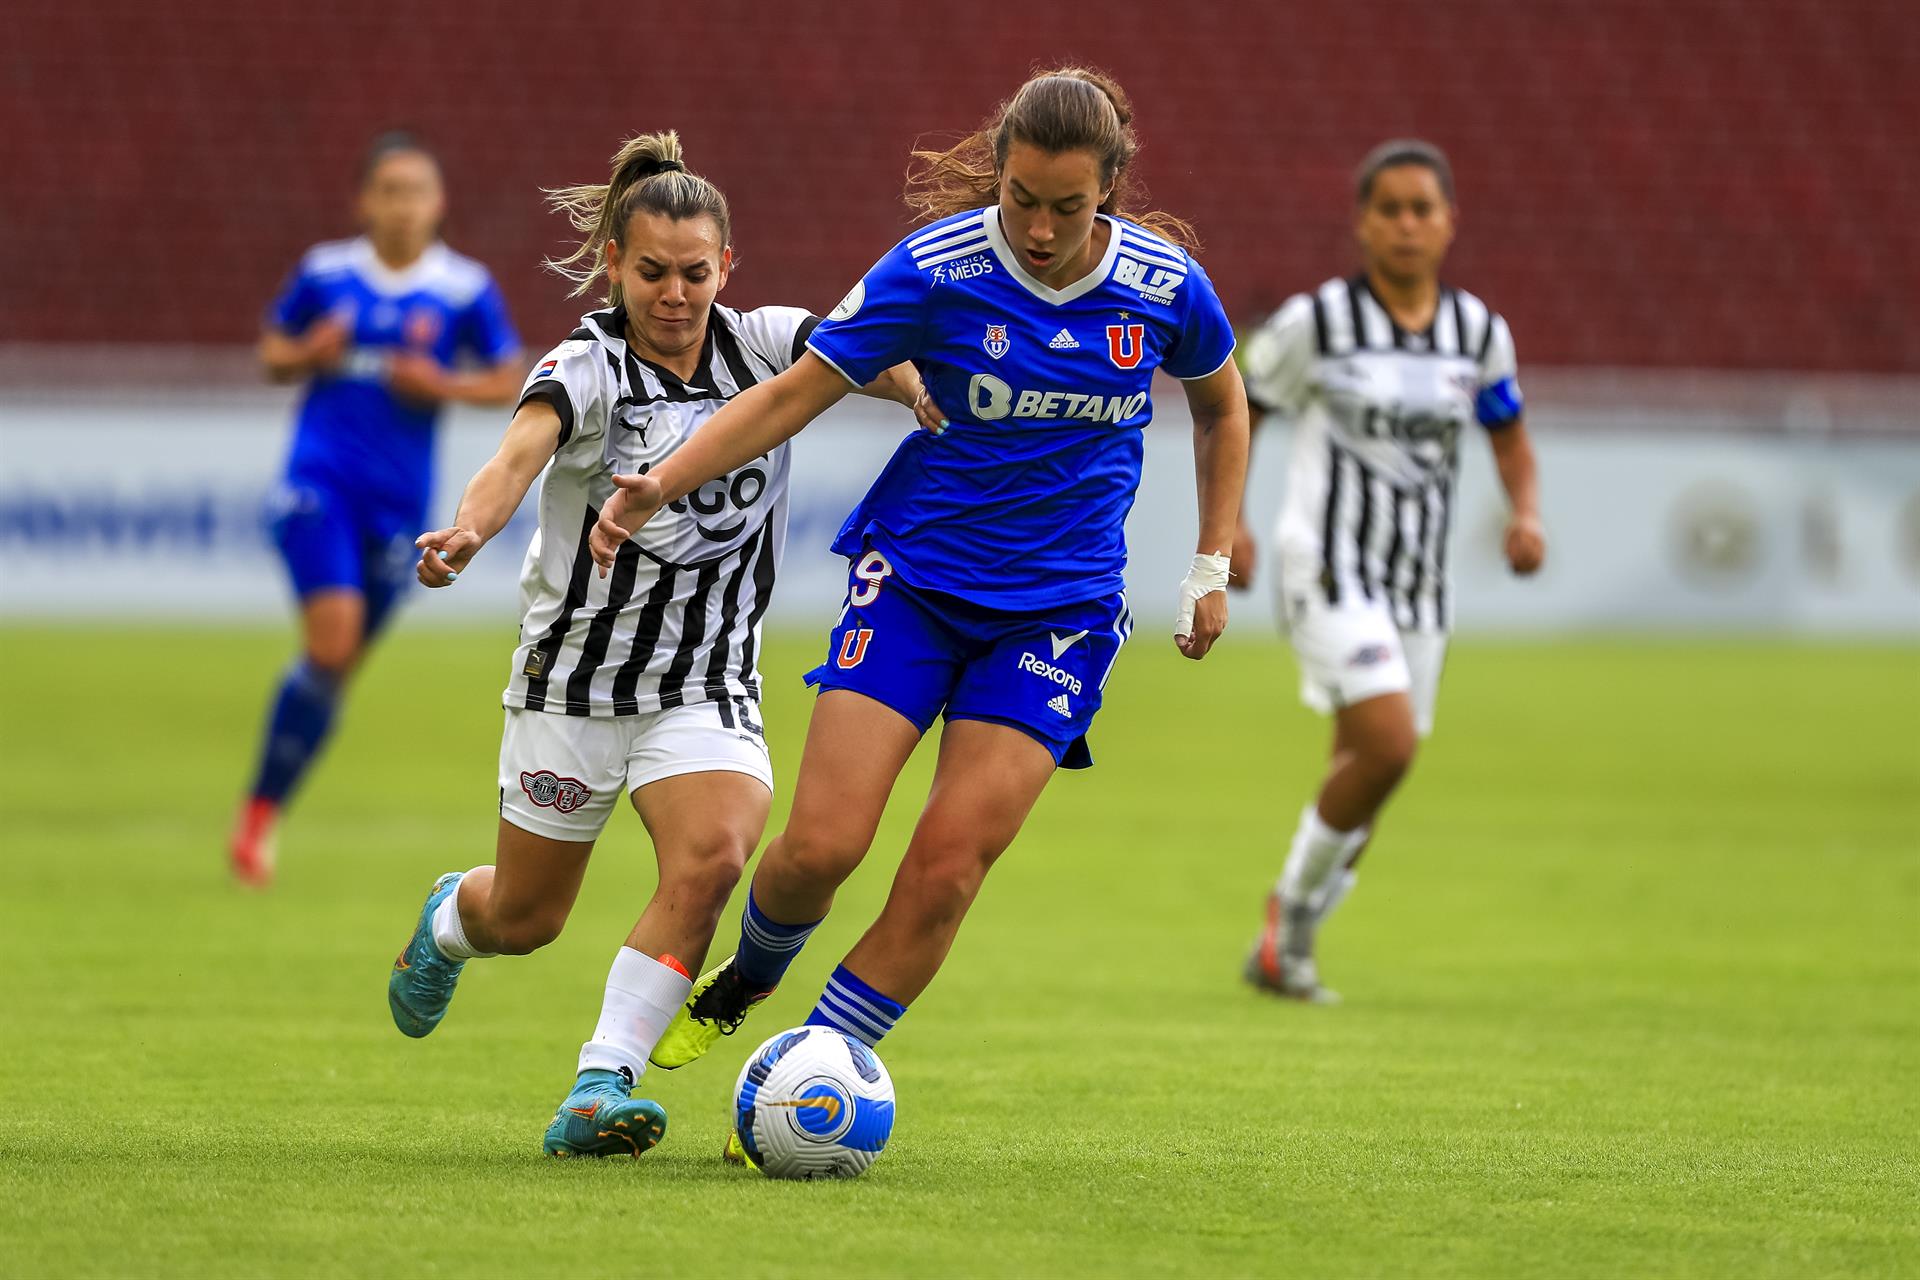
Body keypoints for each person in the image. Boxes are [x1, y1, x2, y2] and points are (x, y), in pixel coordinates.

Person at [590, 68, 1250, 1164]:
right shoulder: (936, 270)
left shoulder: (1165, 286)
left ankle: (800, 1081)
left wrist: (1211, 559)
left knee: (946, 868)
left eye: (1067, 207)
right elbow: (793, 391)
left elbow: (1224, 402)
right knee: (819, 847)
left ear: (1112, 194)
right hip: (916, 584)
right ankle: (752, 972)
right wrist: (661, 478)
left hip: (1060, 615)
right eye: (1021, 198)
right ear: (998, 172)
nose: (1038, 228)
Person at [382, 132, 935, 1158]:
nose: (673, 294)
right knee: (527, 916)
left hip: (706, 682)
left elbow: (865, 341)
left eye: (693, 272)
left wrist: (911, 385)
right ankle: (451, 920)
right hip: (574, 685)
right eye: (651, 273)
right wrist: (469, 528)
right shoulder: (582, 367)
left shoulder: (767, 343)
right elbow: (517, 456)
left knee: (717, 853)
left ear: (727, 266)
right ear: (613, 266)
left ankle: (601, 1082)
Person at [1235, 139, 1545, 1002]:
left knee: (1369, 769)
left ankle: (1285, 946)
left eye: (1423, 209)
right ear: (1363, 222)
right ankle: (1288, 912)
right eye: (1390, 209)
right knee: (1389, 743)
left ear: (1449, 222)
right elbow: (1240, 410)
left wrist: (1525, 512)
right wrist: (1231, 523)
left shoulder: (1478, 332)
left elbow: (1508, 433)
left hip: (1420, 588)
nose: (1407, 225)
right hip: (1329, 568)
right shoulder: (1317, 323)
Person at [230, 131, 524, 885]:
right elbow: (271, 353)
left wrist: (443, 388)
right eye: (388, 191)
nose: (402, 207)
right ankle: (260, 819)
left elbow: (508, 378)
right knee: (332, 647)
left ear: (438, 204)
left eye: (416, 192)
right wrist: (305, 355)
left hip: (400, 510)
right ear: (365, 201)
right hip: (318, 485)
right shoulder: (327, 273)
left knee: (333, 669)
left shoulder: (462, 288)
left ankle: (262, 812)